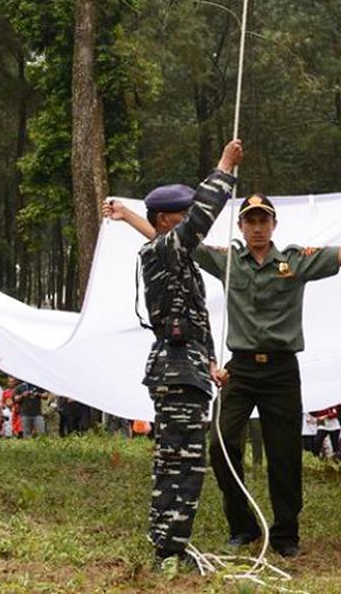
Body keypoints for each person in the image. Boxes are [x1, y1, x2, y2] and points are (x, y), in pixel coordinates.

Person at [194, 184, 341, 558]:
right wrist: (128, 219)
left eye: (262, 220)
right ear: (240, 226)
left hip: (282, 371)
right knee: (221, 444)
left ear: (273, 224)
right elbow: (181, 241)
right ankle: (242, 526)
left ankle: (286, 533)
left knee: (284, 454)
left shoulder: (294, 261)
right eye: (250, 221)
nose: (256, 228)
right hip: (241, 369)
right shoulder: (229, 261)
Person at [102, 137, 243, 568]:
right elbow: (201, 218)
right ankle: (169, 550)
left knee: (178, 460)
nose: (189, 224)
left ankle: (169, 545)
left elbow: (193, 322)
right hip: (177, 374)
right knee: (182, 465)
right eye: (180, 217)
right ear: (168, 220)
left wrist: (211, 363)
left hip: (188, 369)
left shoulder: (171, 255)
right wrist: (224, 166)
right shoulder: (164, 250)